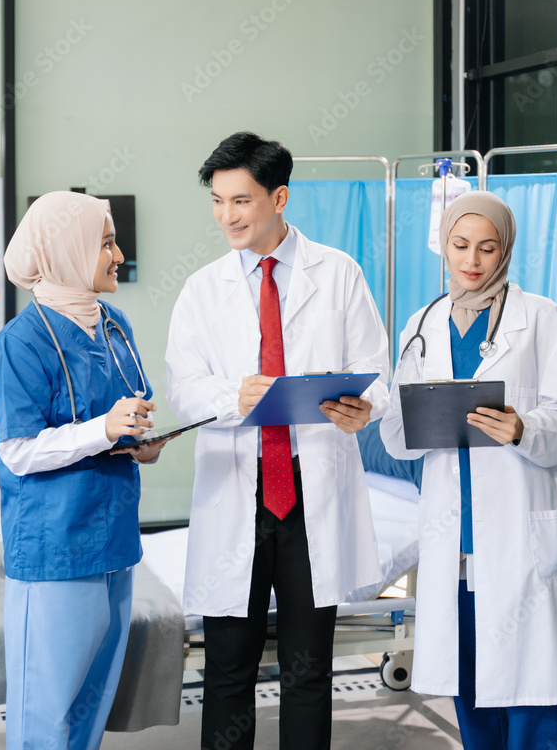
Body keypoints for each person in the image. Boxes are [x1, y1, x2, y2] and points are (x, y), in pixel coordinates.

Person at [165, 132, 389, 750]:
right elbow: (184, 389)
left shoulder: (338, 273)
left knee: (309, 668)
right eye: (218, 201)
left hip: (312, 492)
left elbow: (379, 373)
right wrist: (230, 397)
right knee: (228, 668)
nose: (227, 216)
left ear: (279, 196)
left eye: (241, 200)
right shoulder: (202, 290)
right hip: (237, 488)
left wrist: (363, 410)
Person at [381, 190, 557, 750]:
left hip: (518, 531)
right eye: (459, 245)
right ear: (444, 247)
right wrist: (395, 415)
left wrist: (524, 428)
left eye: (486, 247)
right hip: (453, 536)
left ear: (504, 251)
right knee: (470, 676)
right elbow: (398, 435)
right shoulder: (423, 322)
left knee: (529, 684)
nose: (471, 260)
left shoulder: (540, 318)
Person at [0, 191, 165, 750]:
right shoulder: (20, 342)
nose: (119, 254)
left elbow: (127, 408)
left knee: (92, 699)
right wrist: (103, 430)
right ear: (68, 249)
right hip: (55, 547)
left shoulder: (114, 325)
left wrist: (141, 440)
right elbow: (16, 450)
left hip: (113, 537)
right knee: (48, 708)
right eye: (106, 242)